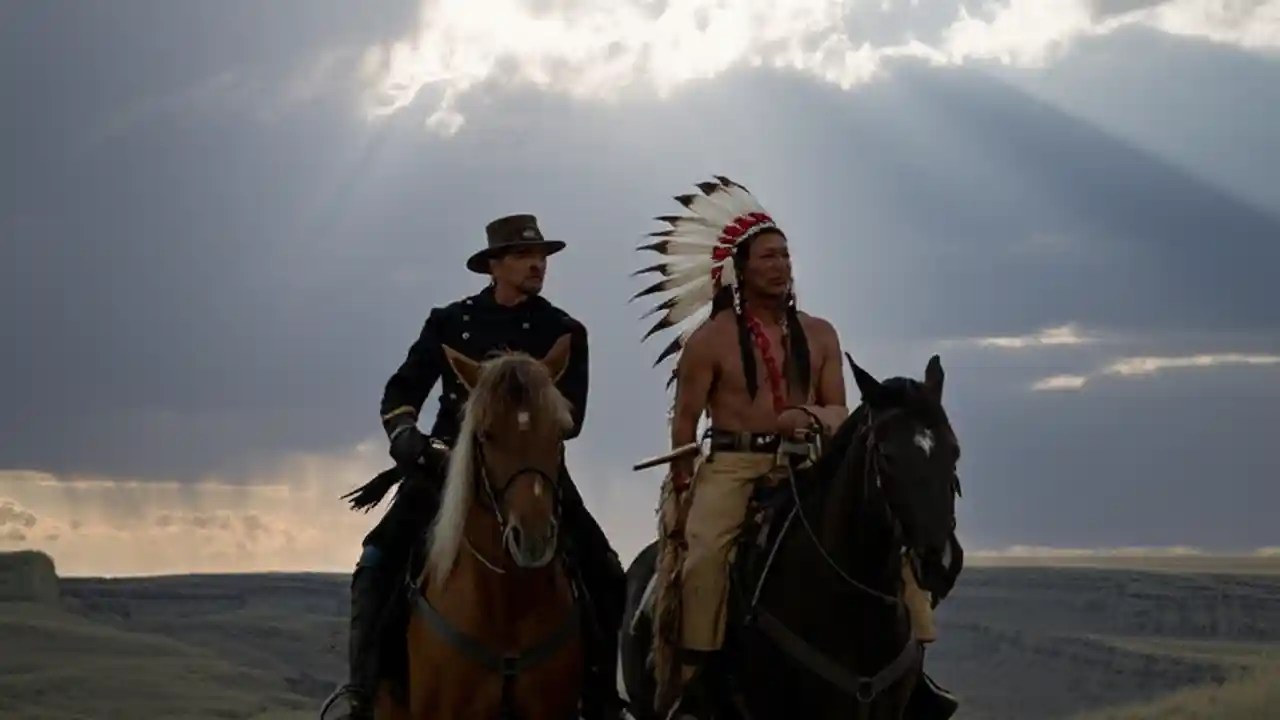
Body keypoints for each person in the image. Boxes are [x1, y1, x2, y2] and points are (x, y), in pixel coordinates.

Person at [631, 176, 954, 718]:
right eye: (767, 257)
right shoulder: (709, 342)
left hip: (809, 461)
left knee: (890, 541)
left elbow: (839, 411)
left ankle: (913, 671)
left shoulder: (821, 334)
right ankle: (694, 679)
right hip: (733, 464)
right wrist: (685, 485)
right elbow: (685, 423)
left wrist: (804, 417)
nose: (780, 266)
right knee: (706, 558)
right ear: (741, 268)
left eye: (785, 255)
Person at [324, 214, 627, 720]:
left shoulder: (564, 330)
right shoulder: (449, 321)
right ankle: (365, 691)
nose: (537, 265)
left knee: (606, 572)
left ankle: (599, 698)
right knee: (377, 562)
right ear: (494, 266)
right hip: (449, 464)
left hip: (532, 466)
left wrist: (529, 414)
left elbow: (572, 416)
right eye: (523, 256)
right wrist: (409, 441)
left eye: (542, 257)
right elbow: (401, 394)